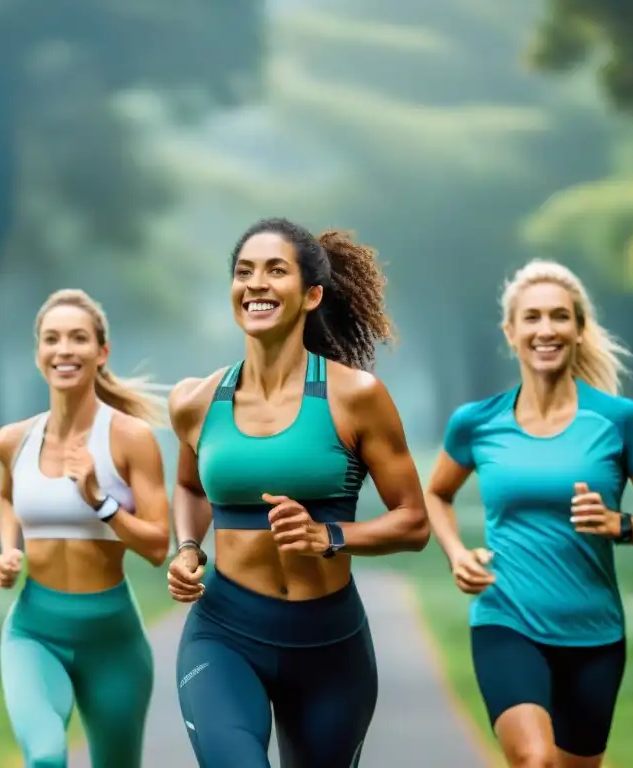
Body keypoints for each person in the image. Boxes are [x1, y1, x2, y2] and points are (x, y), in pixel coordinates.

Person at [166, 218, 431, 768]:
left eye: (275, 270)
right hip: (224, 635)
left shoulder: (355, 397)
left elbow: (413, 522)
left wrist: (329, 534)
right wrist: (188, 547)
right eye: (244, 272)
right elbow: (190, 486)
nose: (256, 283)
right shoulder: (195, 400)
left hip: (329, 645)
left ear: (311, 294)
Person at [425, 260, 633, 768]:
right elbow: (436, 494)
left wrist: (620, 525)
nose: (546, 329)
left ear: (580, 329)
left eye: (560, 317)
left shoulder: (618, 420)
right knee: (535, 761)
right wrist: (457, 554)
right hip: (506, 619)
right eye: (533, 317)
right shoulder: (477, 423)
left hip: (595, 633)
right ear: (511, 331)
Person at [0, 288, 171, 768]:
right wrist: (8, 549)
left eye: (78, 338)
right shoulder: (13, 440)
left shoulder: (131, 439)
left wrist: (101, 501)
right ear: (38, 355)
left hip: (113, 641)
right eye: (52, 339)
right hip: (35, 632)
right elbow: (8, 495)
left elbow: (159, 546)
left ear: (101, 352)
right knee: (47, 757)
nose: (64, 350)